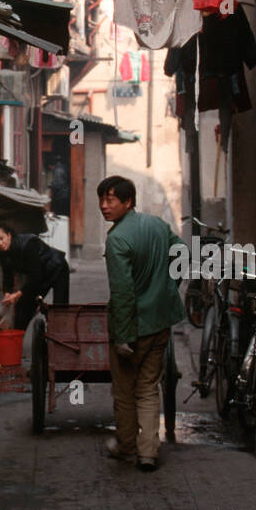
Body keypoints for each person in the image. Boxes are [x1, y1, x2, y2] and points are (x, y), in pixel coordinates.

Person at [97, 176, 185, 472]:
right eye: (102, 199)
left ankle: (126, 446)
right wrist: (169, 287)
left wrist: (122, 337)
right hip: (160, 323)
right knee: (148, 387)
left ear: (128, 202)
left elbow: (122, 293)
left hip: (133, 328)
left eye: (110, 200)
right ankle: (148, 452)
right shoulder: (158, 225)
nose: (104, 206)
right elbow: (182, 252)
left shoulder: (117, 239)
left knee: (124, 391)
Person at [0, 224, 70, 331]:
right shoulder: (4, 255)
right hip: (41, 275)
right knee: (22, 307)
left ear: (9, 235)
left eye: (1, 238)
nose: (0, 243)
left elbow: (35, 276)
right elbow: (7, 278)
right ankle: (19, 339)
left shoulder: (28, 244)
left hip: (57, 267)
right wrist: (7, 294)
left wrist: (18, 294)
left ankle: (59, 340)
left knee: (59, 310)